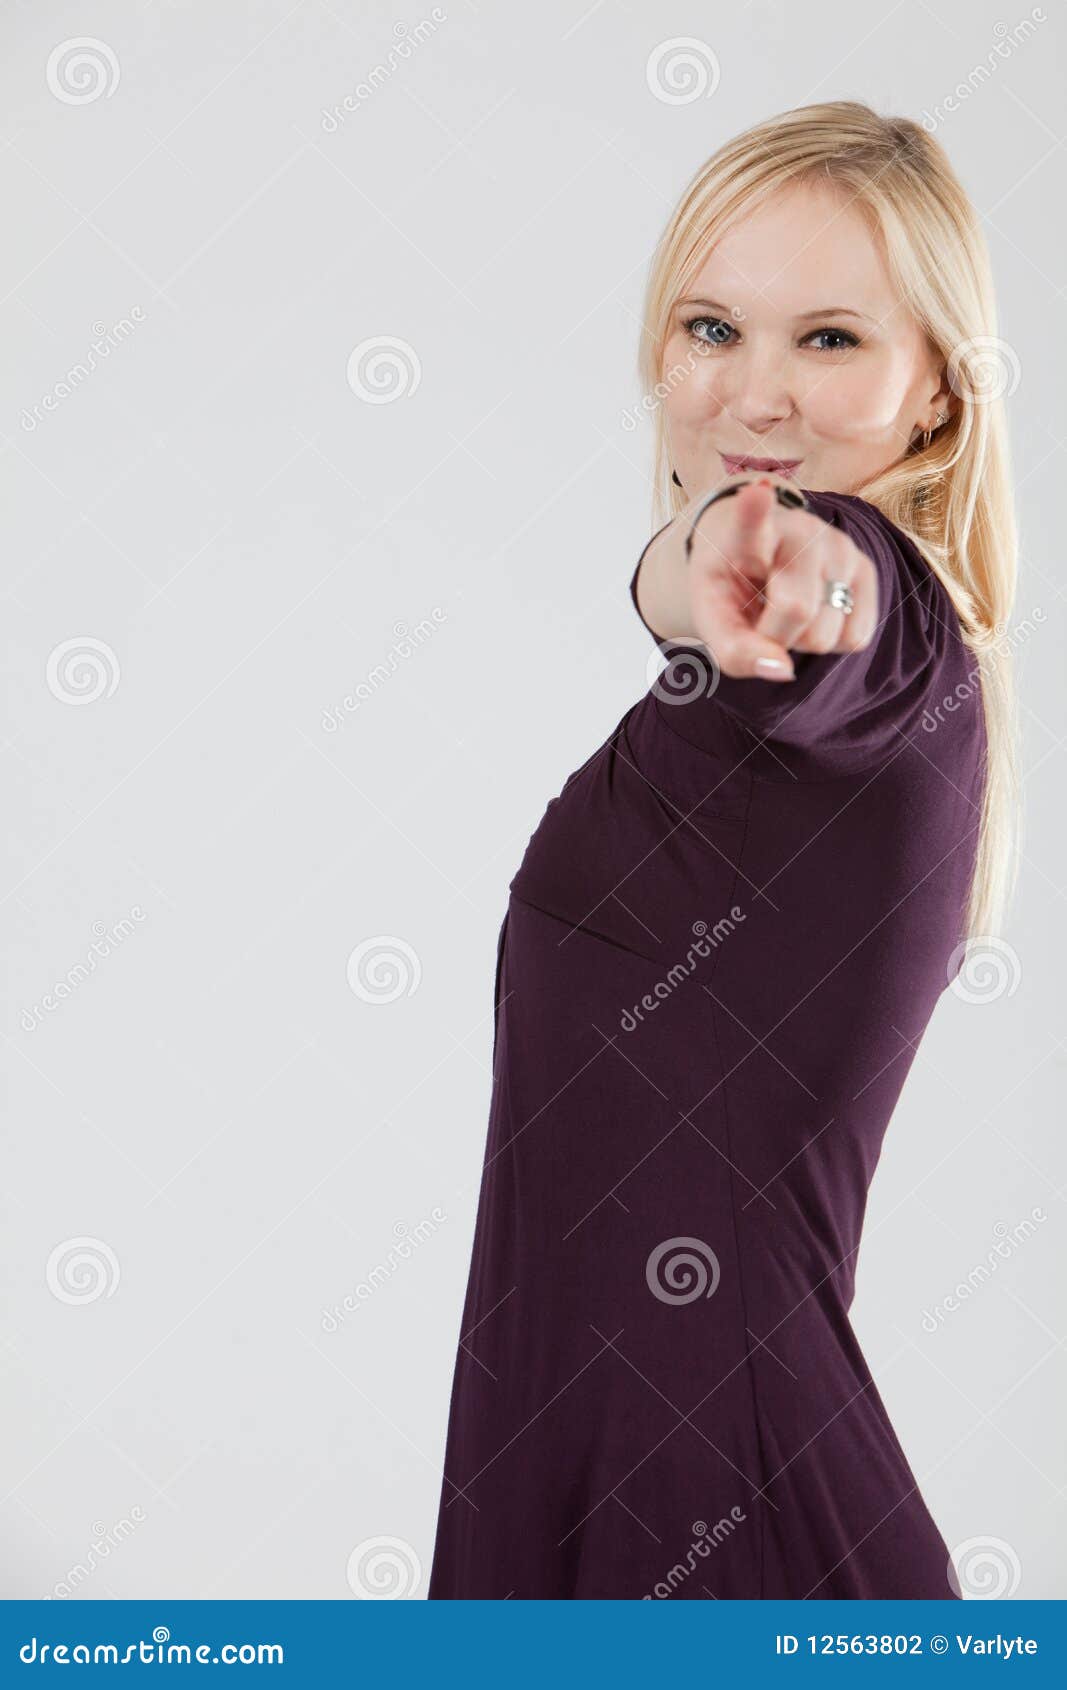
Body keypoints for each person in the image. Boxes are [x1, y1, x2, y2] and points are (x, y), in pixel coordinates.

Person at [427, 99, 1019, 1600]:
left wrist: (766, 569)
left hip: (725, 1516)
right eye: (711, 327)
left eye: (830, 340)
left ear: (938, 393)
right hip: (587, 1486)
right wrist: (680, 568)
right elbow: (691, 569)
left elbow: (821, 586)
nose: (756, 394)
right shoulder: (714, 685)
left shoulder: (879, 639)